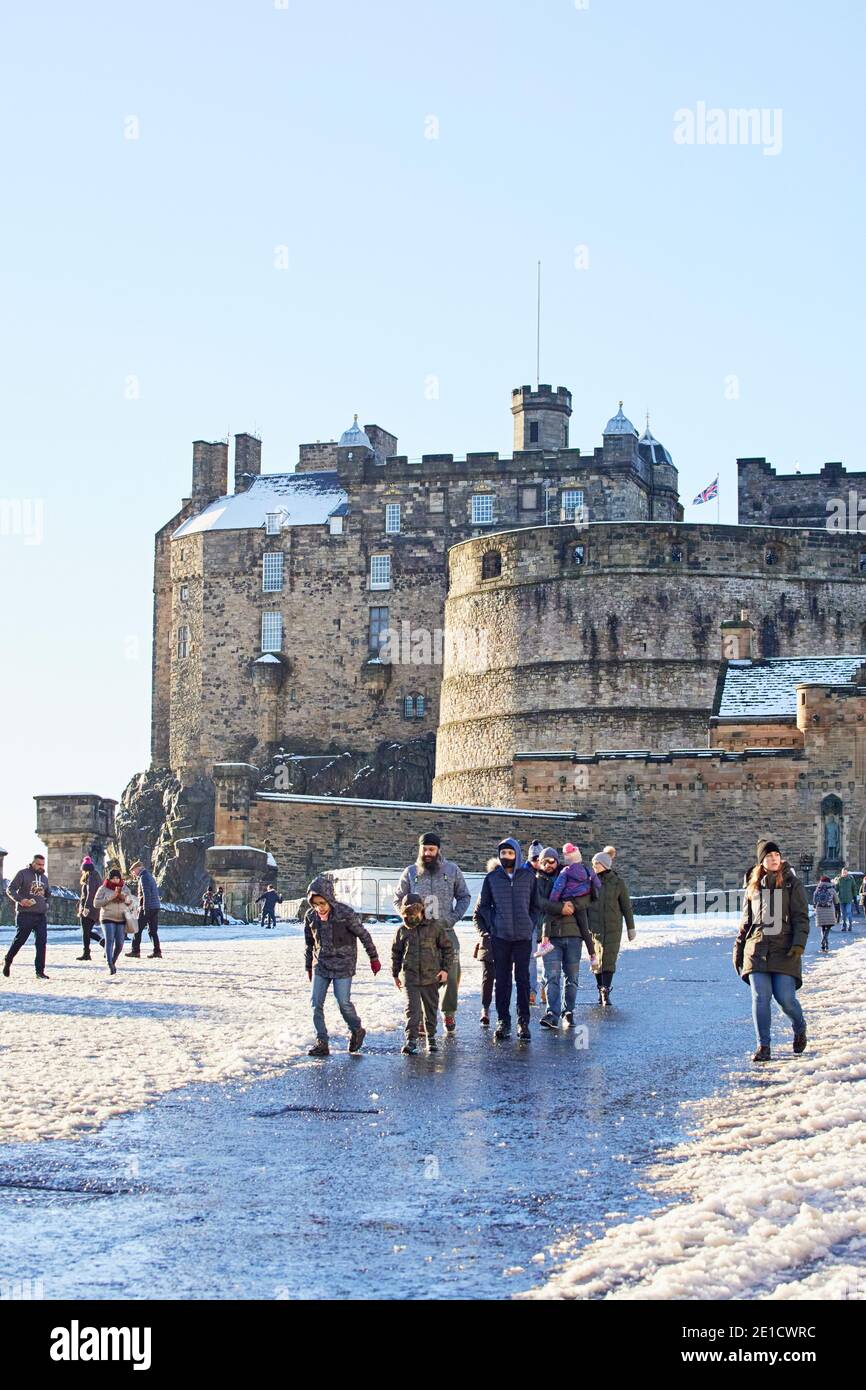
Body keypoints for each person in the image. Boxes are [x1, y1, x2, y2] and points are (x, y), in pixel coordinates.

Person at [733, 837, 810, 1063]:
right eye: (769, 856)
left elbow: (801, 918)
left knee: (785, 998)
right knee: (760, 997)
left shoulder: (791, 883)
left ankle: (799, 1026)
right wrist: (738, 949)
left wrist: (798, 944)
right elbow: (747, 922)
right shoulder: (753, 886)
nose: (774, 859)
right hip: (756, 950)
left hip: (785, 949)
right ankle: (763, 1046)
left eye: (777, 855)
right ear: (762, 861)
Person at [394, 832, 470, 1035]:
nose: (427, 853)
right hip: (417, 934)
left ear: (438, 850)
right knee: (419, 976)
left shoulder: (452, 870)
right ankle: (420, 1019)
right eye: (424, 849)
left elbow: (464, 896)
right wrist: (407, 918)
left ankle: (449, 1012)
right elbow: (397, 899)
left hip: (445, 930)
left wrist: (452, 918)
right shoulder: (410, 872)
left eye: (431, 849)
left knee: (452, 974)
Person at [303, 874, 381, 1057]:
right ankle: (322, 1041)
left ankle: (356, 1029)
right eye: (315, 904)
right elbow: (309, 942)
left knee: (343, 1003)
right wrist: (308, 965)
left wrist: (374, 957)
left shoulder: (345, 914)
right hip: (321, 964)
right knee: (315, 1004)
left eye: (322, 903)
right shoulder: (311, 916)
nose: (319, 908)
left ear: (330, 899)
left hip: (343, 964)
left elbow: (363, 935)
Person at [473, 838, 538, 1041]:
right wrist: (493, 926)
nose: (506, 857)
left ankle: (523, 1022)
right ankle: (503, 1020)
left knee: (523, 979)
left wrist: (529, 923)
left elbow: (535, 905)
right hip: (500, 937)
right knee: (501, 981)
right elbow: (483, 906)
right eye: (503, 854)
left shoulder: (528, 877)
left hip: (522, 937)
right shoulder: (492, 878)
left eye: (510, 854)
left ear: (517, 854)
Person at [535, 847, 596, 1030]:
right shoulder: (538, 880)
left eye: (551, 861)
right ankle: (552, 1014)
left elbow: (589, 896)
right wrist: (560, 907)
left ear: (557, 860)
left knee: (572, 977)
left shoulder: (570, 873)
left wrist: (573, 905)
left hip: (574, 934)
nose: (547, 865)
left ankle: (568, 1011)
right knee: (551, 976)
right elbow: (539, 902)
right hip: (550, 936)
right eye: (543, 862)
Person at [391, 893, 454, 1055]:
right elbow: (396, 953)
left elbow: (448, 948)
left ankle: (431, 1038)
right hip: (410, 977)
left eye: (415, 912)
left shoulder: (434, 927)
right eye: (409, 913)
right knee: (412, 1010)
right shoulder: (402, 931)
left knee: (430, 1009)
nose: (412, 917)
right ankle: (411, 1040)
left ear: (422, 911)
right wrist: (395, 974)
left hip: (431, 977)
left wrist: (445, 970)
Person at [586, 851, 636, 1008]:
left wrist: (631, 927)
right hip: (594, 927)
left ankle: (605, 990)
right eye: (593, 864)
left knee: (609, 958)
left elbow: (626, 906)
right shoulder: (590, 882)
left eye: (596, 864)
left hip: (613, 926)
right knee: (596, 959)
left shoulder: (618, 883)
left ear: (605, 865)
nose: (594, 867)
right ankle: (600, 989)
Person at [3, 853, 52, 980]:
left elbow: (48, 894)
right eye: (39, 864)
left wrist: (46, 904)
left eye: (43, 865)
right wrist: (21, 900)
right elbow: (10, 889)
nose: (42, 867)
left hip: (40, 915)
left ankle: (39, 972)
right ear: (33, 863)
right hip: (25, 914)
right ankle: (8, 960)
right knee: (20, 940)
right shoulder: (23, 874)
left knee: (42, 942)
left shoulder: (45, 878)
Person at [93, 869, 137, 977]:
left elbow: (131, 903)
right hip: (107, 917)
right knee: (109, 940)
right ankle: (110, 964)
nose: (115, 880)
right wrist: (110, 898)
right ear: (109, 878)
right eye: (113, 878)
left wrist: (124, 897)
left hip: (121, 918)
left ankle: (113, 960)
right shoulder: (103, 888)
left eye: (117, 878)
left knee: (120, 944)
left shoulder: (125, 888)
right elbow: (96, 903)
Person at [472, 856, 500, 1026]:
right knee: (488, 976)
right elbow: (476, 916)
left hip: (506, 940)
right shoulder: (484, 894)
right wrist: (484, 933)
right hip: (488, 942)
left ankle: (502, 1012)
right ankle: (485, 1009)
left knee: (503, 978)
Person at [129, 859, 162, 959]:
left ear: (138, 868)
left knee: (137, 929)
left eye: (133, 871)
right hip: (155, 906)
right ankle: (157, 951)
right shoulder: (148, 876)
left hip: (148, 907)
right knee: (152, 931)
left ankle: (135, 951)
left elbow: (146, 893)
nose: (133, 873)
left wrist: (145, 908)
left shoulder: (143, 877)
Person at [525, 841, 544, 1005]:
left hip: (545, 920)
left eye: (540, 859)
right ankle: (532, 991)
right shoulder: (523, 874)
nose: (538, 863)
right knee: (531, 958)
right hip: (530, 921)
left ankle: (545, 987)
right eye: (534, 859)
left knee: (547, 956)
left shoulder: (549, 873)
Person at [77, 856, 104, 960]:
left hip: (89, 908)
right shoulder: (96, 875)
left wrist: (86, 908)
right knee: (87, 931)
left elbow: (90, 893)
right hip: (94, 908)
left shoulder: (91, 877)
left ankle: (87, 953)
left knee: (86, 932)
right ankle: (88, 952)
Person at [812, 876, 838, 953]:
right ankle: (824, 941)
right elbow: (836, 901)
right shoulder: (831, 889)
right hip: (829, 910)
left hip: (820, 910)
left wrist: (815, 905)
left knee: (823, 927)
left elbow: (814, 899)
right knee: (829, 926)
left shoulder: (818, 888)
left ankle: (824, 945)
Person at [833, 867, 856, 932]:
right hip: (841, 899)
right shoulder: (839, 880)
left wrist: (854, 897)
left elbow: (854, 888)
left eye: (845, 872)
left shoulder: (851, 879)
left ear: (847, 872)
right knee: (843, 914)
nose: (844, 873)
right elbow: (836, 889)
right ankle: (844, 926)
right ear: (841, 873)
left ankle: (850, 925)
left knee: (848, 912)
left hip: (849, 899)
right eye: (843, 872)